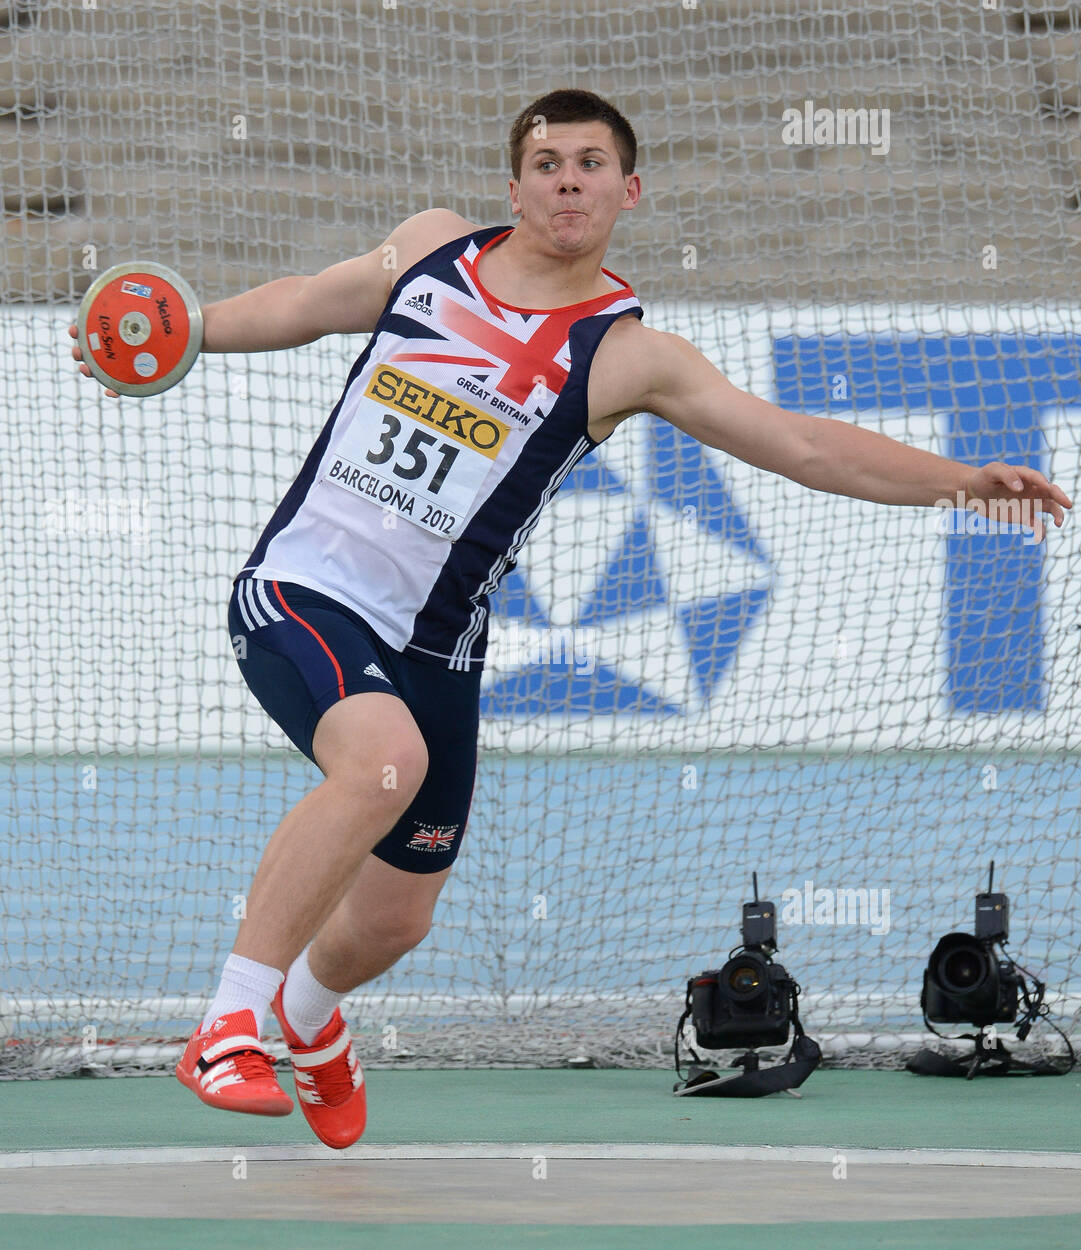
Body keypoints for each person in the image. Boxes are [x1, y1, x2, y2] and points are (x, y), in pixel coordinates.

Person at [70, 88, 1071, 1149]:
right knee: (376, 765)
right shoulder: (428, 253)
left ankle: (308, 1017)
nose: (568, 180)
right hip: (302, 591)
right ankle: (230, 1022)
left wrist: (961, 480)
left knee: (399, 914)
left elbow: (806, 446)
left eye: (591, 164)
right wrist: (183, 337)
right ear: (514, 185)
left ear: (626, 192)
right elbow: (310, 303)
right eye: (547, 162)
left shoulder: (625, 354)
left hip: (437, 645)